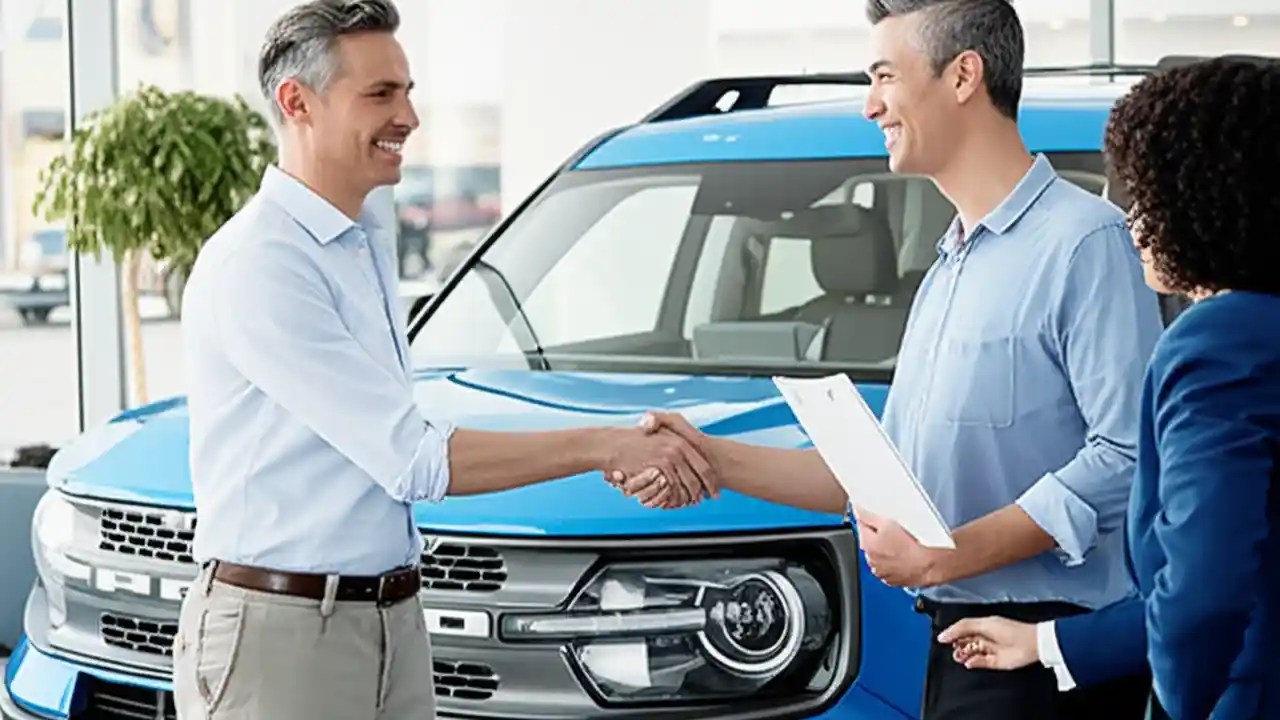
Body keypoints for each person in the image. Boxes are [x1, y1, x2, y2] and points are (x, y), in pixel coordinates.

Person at [618, 1, 1163, 717]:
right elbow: (883, 477)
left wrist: (954, 553)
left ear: (963, 75)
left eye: (884, 77)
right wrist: (707, 458)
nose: (870, 106)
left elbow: (1129, 453)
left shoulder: (1085, 243)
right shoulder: (948, 268)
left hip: (1048, 659)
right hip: (956, 652)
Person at [172, 2, 716, 719]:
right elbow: (415, 459)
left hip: (391, 619)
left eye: (407, 92)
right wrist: (605, 445)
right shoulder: (263, 263)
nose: (408, 117)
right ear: (296, 102)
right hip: (283, 639)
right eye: (380, 94)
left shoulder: (361, 238)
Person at [937, 56, 1280, 720]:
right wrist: (1048, 642)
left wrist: (1177, 705)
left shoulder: (1217, 345)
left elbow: (1203, 592)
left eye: (1147, 194)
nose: (1132, 220)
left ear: (1205, 198)